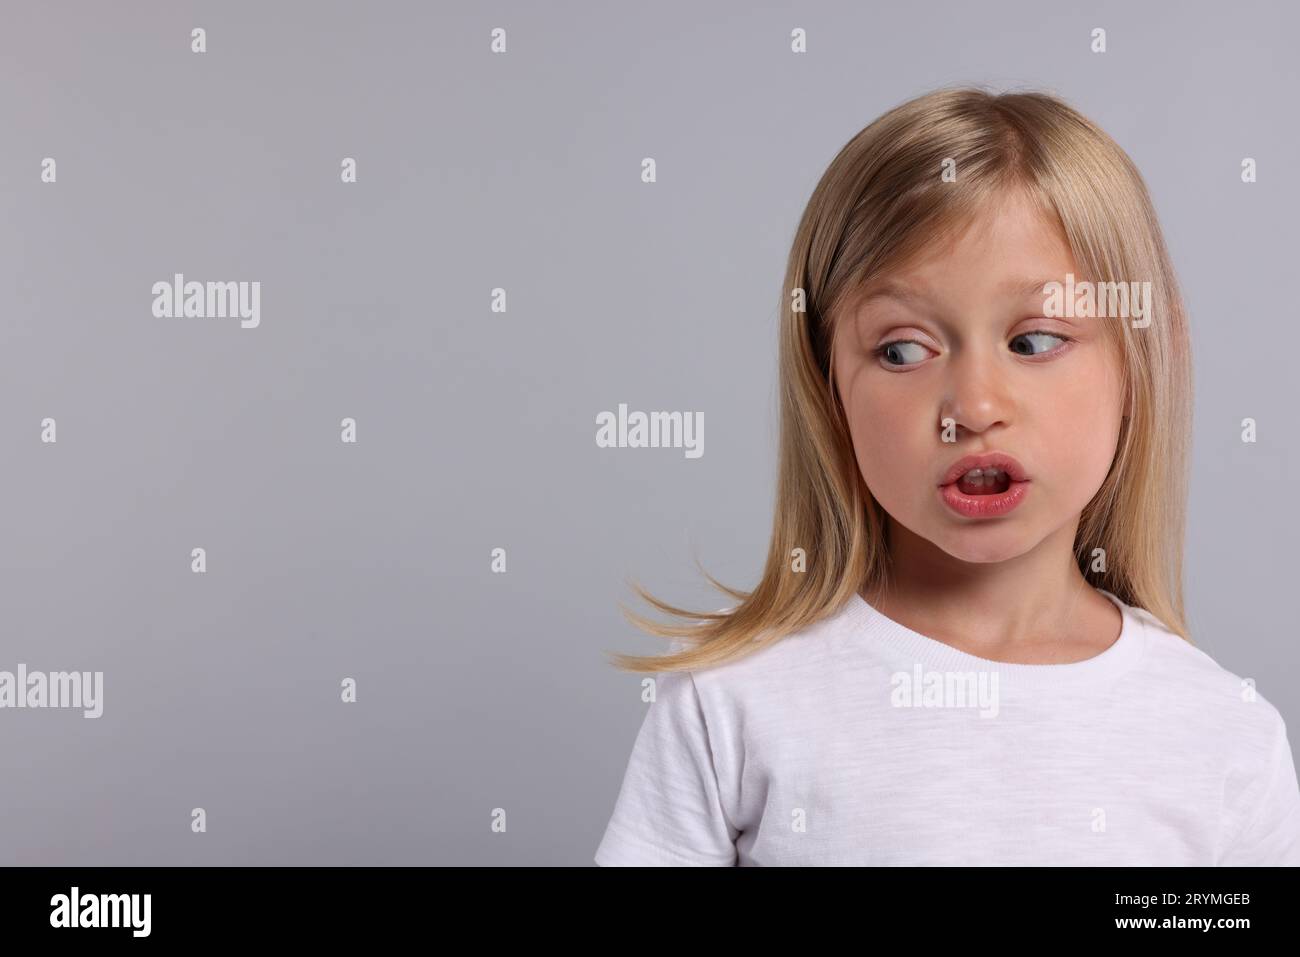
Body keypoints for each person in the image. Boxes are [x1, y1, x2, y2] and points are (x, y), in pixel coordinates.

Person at [594, 87, 1300, 866]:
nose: (973, 405)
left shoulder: (1225, 740)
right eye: (902, 349)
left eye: (1035, 341)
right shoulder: (733, 700)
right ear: (827, 383)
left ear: (1146, 357)